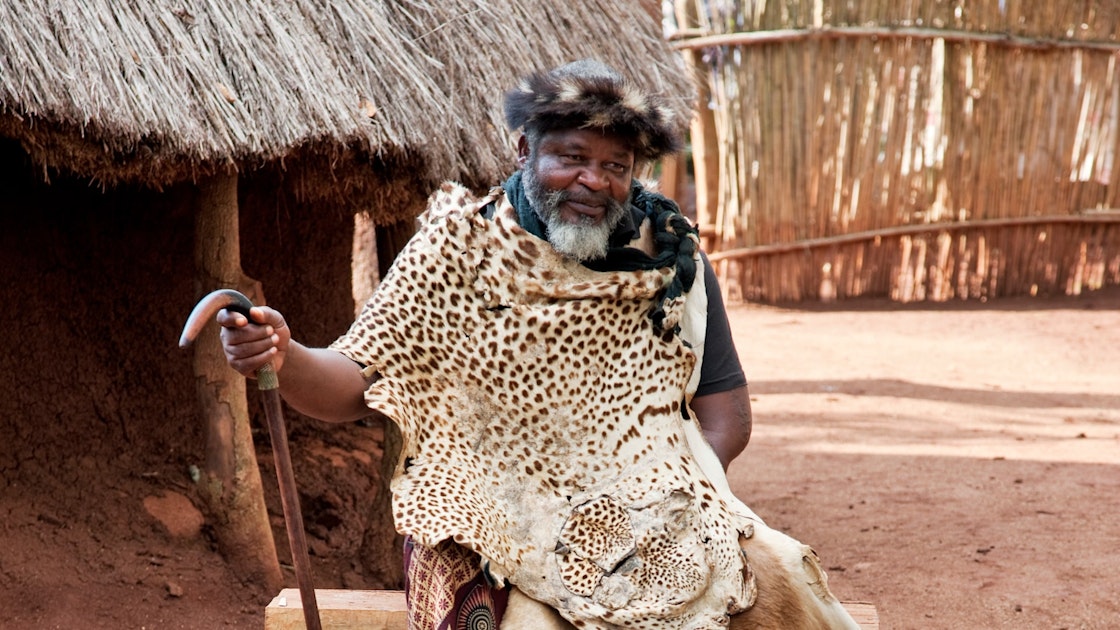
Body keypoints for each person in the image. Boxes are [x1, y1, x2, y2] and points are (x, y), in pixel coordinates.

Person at [219, 59, 752, 629]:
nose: (594, 181)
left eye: (614, 166)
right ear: (525, 151)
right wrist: (285, 354)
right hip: (485, 506)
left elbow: (727, 418)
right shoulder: (456, 252)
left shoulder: (673, 263)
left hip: (641, 504)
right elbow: (353, 383)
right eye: (571, 158)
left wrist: (661, 506)